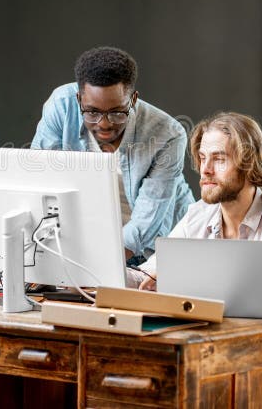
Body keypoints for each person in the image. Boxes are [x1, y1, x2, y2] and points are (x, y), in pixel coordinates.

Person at [31, 46, 194, 263]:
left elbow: (146, 223)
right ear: (79, 99)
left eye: (117, 112)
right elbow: (38, 181)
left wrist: (98, 267)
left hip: (153, 247)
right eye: (92, 112)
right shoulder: (61, 107)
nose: (105, 124)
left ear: (133, 100)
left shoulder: (168, 134)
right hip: (90, 243)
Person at [132, 112, 262, 290]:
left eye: (219, 159)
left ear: (248, 162)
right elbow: (148, 272)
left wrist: (183, 271)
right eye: (203, 158)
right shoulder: (198, 214)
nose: (205, 170)